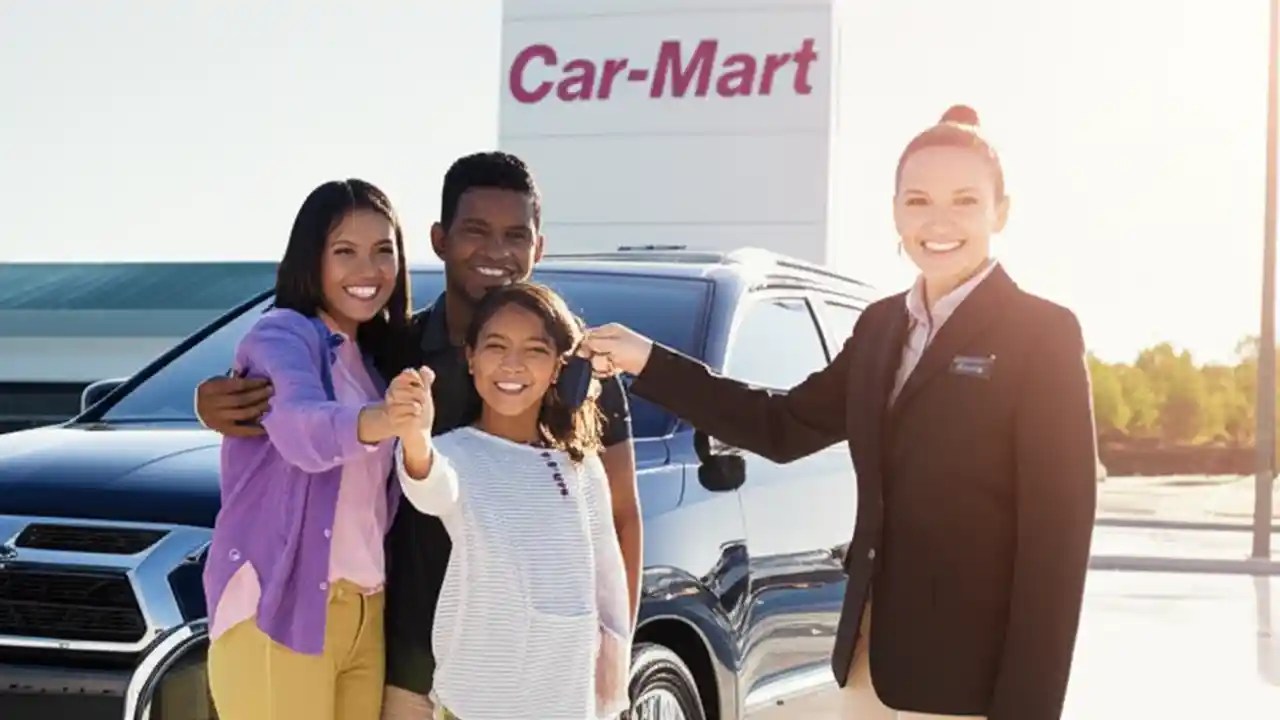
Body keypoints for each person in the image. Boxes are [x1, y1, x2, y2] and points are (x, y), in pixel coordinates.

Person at [583, 105, 1098, 719]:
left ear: (1000, 212)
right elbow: (780, 425)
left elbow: (1056, 548)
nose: (938, 221)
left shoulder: (1042, 334)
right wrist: (650, 361)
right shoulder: (881, 327)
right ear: (895, 212)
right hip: (867, 667)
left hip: (970, 684)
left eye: (964, 201)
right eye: (917, 201)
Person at [193, 152, 642, 719]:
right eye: (475, 232)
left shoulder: (570, 368)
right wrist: (214, 401)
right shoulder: (389, 347)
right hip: (397, 643)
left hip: (521, 658)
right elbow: (306, 406)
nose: (496, 253)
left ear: (539, 247)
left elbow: (617, 518)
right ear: (438, 239)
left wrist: (613, 653)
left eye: (515, 236)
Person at [203, 178, 413, 720]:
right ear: (310, 258)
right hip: (280, 604)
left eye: (383, 251)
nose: (368, 270)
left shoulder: (372, 359)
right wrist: (384, 419)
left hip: (366, 611)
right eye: (345, 251)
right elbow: (302, 431)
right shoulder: (281, 335)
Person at [389, 281, 630, 719]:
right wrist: (415, 440)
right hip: (478, 702)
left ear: (560, 366)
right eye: (496, 346)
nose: (512, 365)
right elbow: (431, 487)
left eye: (535, 350)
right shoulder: (454, 454)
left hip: (565, 702)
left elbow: (607, 584)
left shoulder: (580, 466)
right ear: (470, 357)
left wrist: (610, 691)